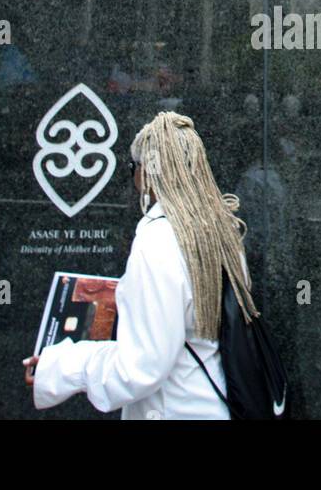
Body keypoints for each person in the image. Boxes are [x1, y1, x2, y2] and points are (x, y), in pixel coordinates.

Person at [24, 112, 257, 419]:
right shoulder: (220, 229)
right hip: (214, 402)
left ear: (147, 172)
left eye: (132, 168)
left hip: (174, 409)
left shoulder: (158, 241)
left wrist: (61, 368)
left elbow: (142, 366)